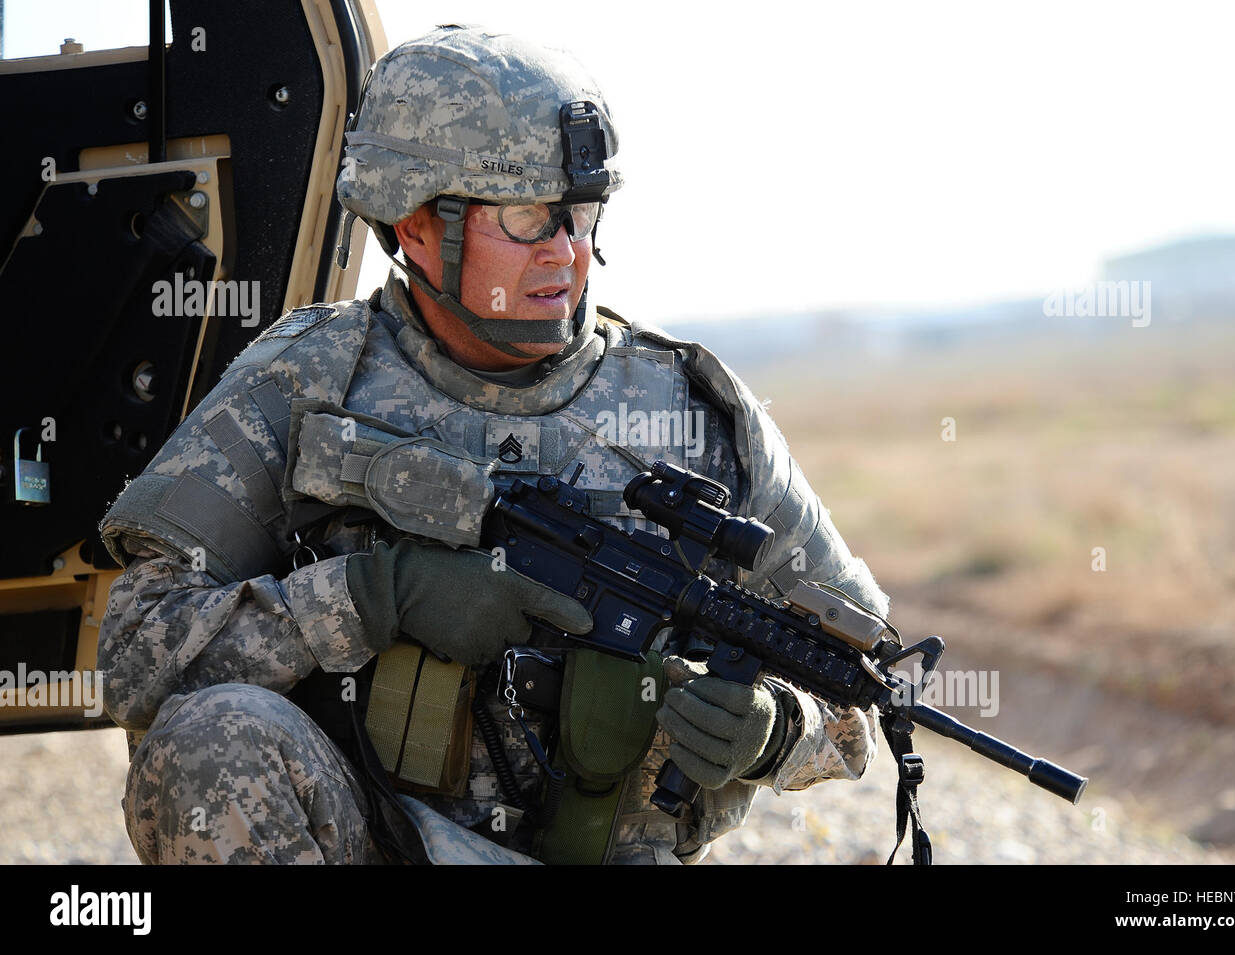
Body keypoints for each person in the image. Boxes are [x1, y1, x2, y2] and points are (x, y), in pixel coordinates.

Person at [96, 25, 891, 865]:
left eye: (582, 213)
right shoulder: (305, 379)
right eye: (525, 216)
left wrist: (777, 732)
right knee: (209, 742)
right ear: (411, 223)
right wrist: (371, 595)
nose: (568, 252)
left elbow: (866, 687)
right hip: (377, 840)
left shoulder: (695, 413)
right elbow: (136, 658)